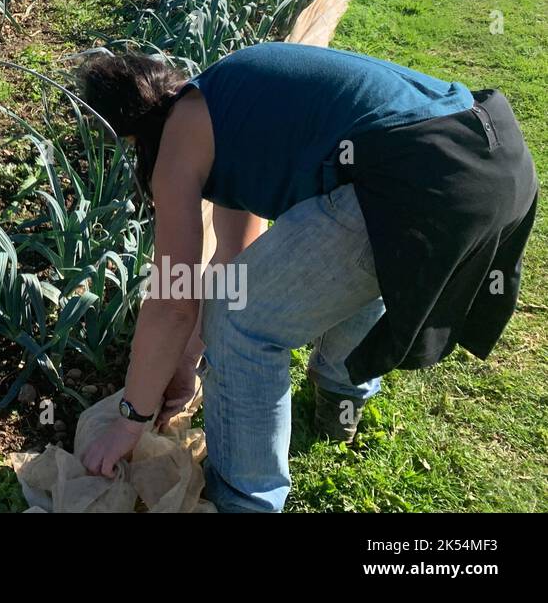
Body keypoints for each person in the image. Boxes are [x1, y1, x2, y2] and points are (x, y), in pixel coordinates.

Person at [76, 43, 537, 513]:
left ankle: (245, 502)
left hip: (421, 182)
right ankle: (340, 398)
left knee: (241, 320)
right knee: (358, 259)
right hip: (493, 156)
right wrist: (188, 358)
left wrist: (131, 419)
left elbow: (174, 299)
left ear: (131, 134)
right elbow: (236, 261)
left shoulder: (177, 142)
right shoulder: (228, 101)